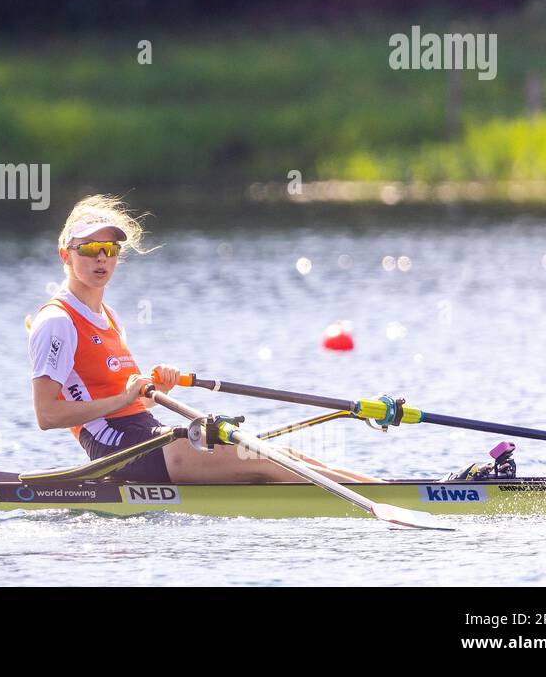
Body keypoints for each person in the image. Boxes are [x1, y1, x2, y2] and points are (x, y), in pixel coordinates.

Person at [27, 194, 377, 484]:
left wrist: (154, 391)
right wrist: (124, 398)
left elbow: (132, 404)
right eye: (89, 249)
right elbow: (47, 415)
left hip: (148, 433)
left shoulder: (110, 317)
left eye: (110, 248)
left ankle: (391, 489)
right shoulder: (57, 321)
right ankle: (394, 500)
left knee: (283, 455)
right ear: (66, 255)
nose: (101, 257)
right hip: (118, 450)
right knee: (268, 461)